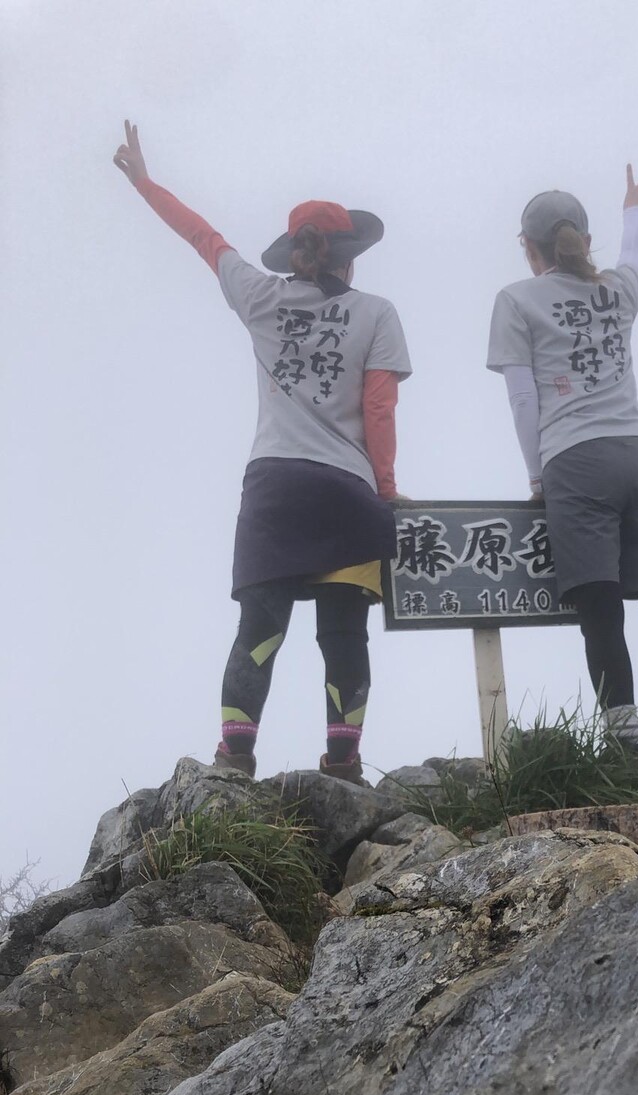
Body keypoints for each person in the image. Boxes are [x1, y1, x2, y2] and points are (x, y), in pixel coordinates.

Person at [113, 121, 411, 784]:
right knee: (342, 635)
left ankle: (235, 756)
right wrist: (385, 491)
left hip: (275, 485)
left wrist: (143, 181)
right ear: (349, 256)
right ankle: (342, 762)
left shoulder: (259, 295)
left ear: (296, 254)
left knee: (261, 627)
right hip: (348, 491)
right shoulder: (377, 313)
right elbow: (379, 410)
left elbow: (203, 236)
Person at [486, 166, 638, 767]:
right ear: (584, 240)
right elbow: (636, 255)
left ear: (529, 247)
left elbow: (522, 399)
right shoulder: (619, 290)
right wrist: (633, 209)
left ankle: (628, 757)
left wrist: (537, 474)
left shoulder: (516, 300)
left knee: (602, 617)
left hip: (577, 461)